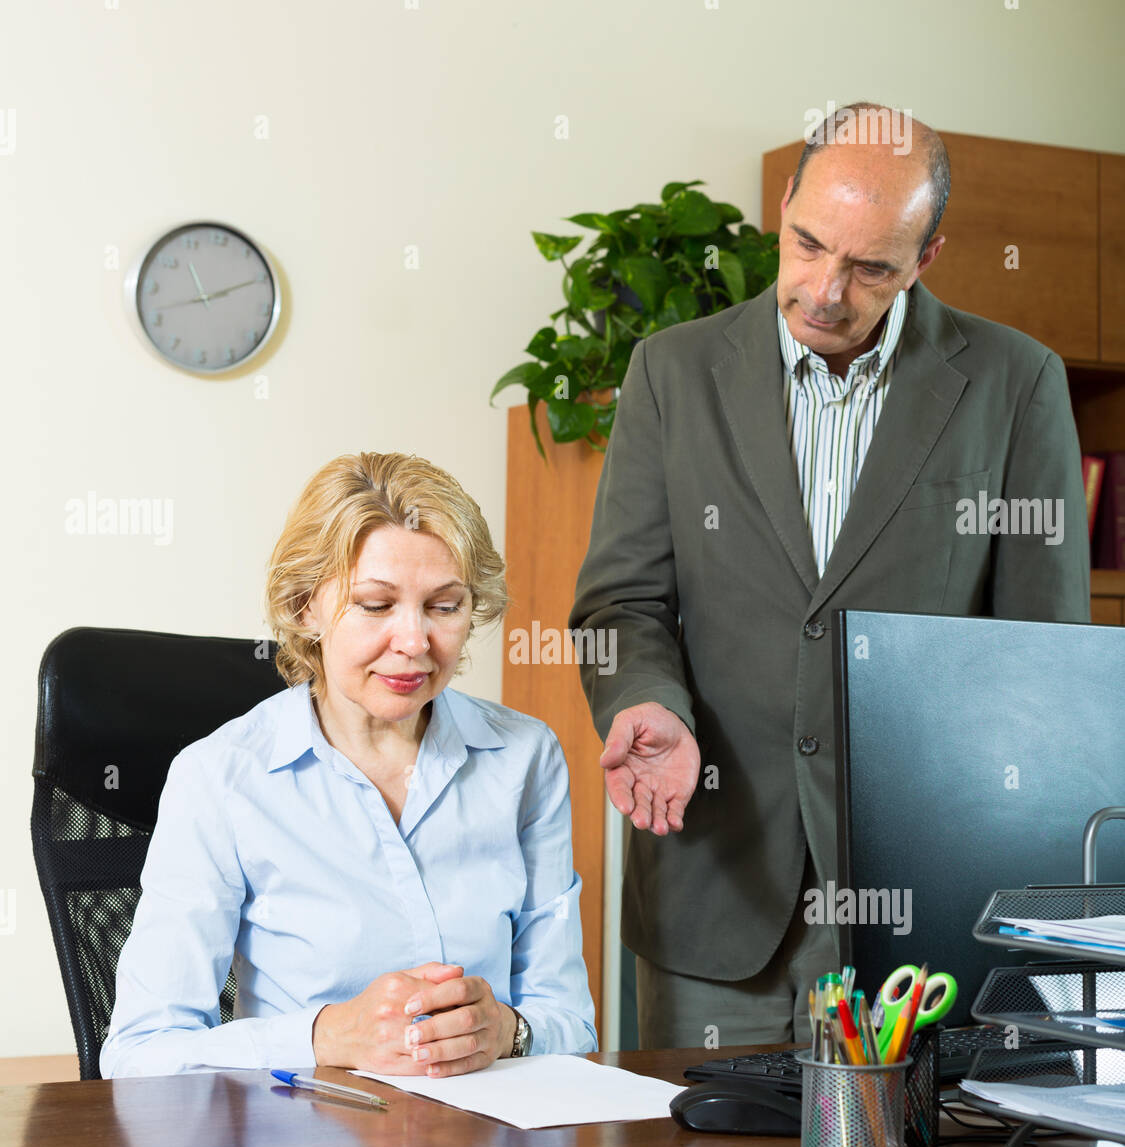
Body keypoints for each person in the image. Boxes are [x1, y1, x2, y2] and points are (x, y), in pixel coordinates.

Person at [569, 102, 1090, 1051]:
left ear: (926, 256)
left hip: (930, 908)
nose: (823, 290)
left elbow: (1038, 660)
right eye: (807, 245)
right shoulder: (670, 375)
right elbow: (622, 601)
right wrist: (648, 703)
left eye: (870, 267)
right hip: (715, 890)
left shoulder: (1016, 384)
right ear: (783, 206)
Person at [101, 451, 597, 1078]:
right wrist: (323, 1038)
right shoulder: (222, 778)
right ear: (307, 605)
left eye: (444, 606)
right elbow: (139, 1052)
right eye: (376, 604)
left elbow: (571, 1024)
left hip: (487, 1146)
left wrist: (507, 1030)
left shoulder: (525, 758)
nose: (415, 642)